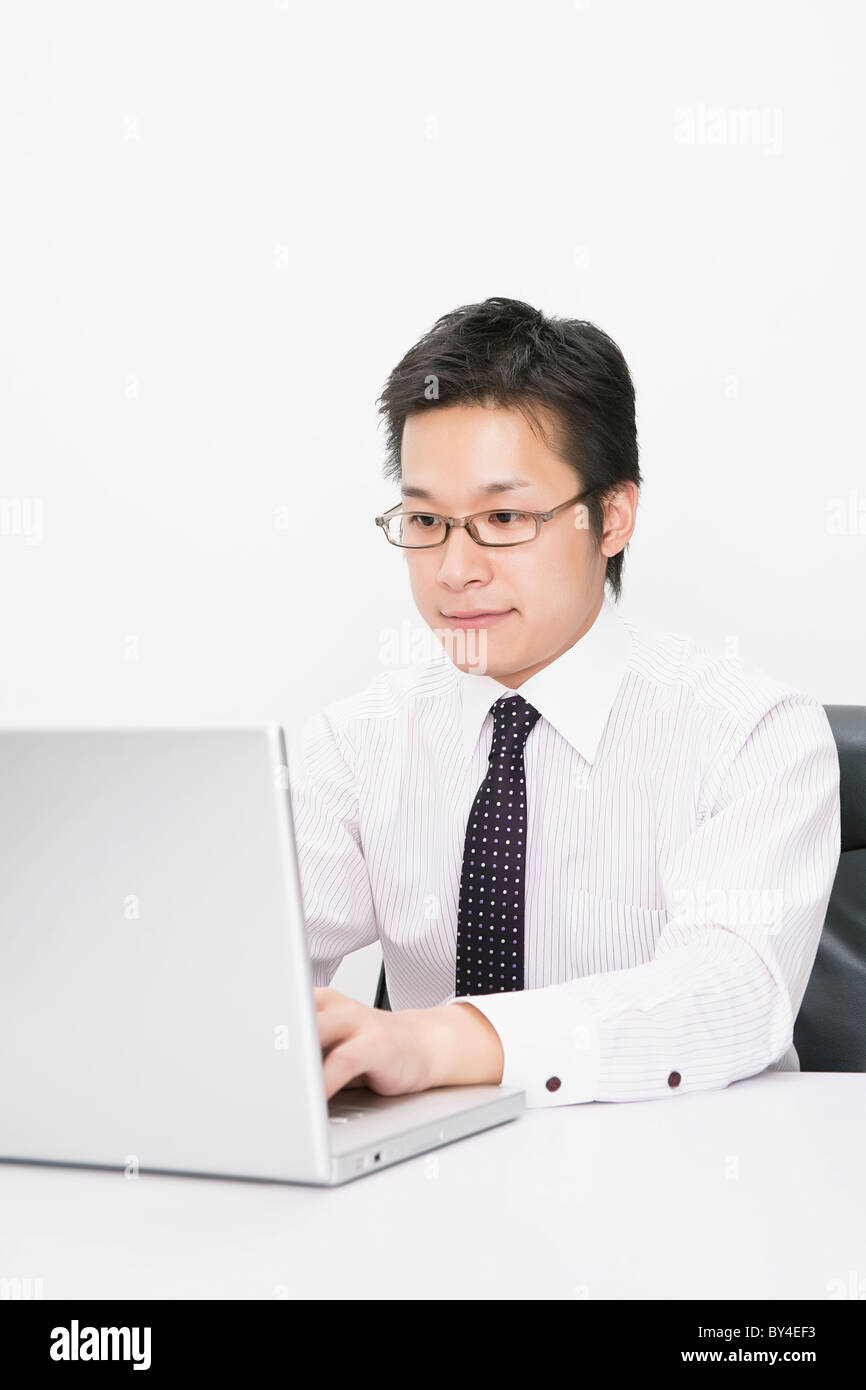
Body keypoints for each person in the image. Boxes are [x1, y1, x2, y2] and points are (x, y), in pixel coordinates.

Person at [289, 296, 841, 1108]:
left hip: (692, 1185)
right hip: (428, 1191)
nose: (454, 569)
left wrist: (443, 1038)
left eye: (504, 517)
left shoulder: (752, 732)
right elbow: (242, 974)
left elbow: (730, 994)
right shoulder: (356, 741)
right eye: (425, 519)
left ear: (611, 516)